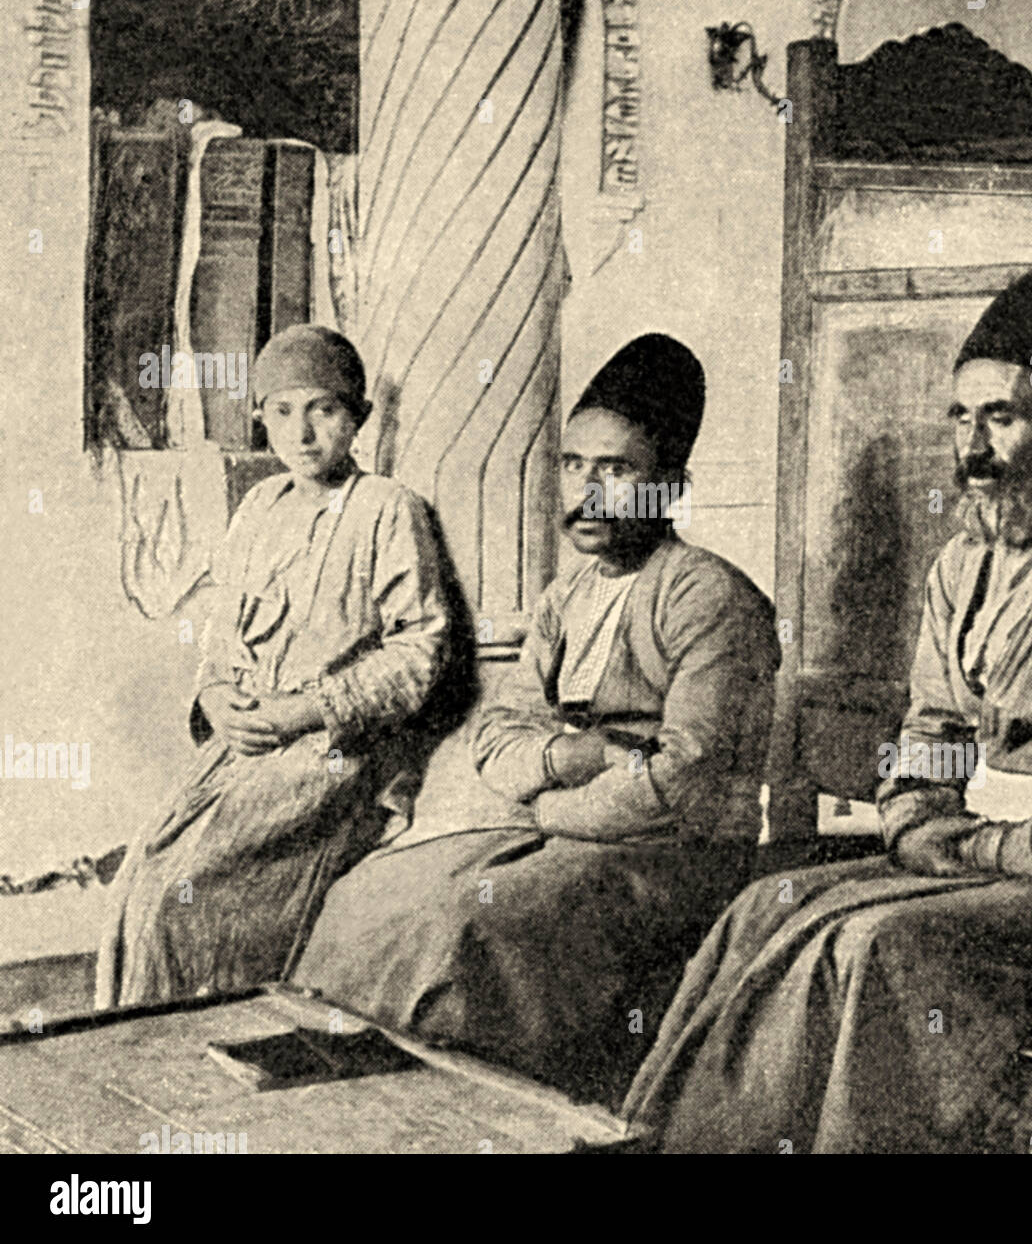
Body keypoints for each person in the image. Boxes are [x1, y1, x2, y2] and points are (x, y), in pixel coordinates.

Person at [623, 269, 1032, 1153]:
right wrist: (915, 817)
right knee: (766, 905)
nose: (970, 449)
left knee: (874, 944)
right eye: (959, 416)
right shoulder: (959, 570)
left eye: (1001, 417)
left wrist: (994, 845)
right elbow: (933, 736)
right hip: (975, 857)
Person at [294, 334, 781, 1103]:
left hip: (669, 859)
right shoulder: (567, 597)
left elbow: (682, 779)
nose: (585, 492)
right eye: (572, 465)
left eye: (615, 470)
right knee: (368, 895)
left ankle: (468, 1126)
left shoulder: (711, 600)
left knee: (465, 928)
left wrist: (550, 799)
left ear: (670, 486)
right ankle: (350, 1119)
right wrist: (565, 761)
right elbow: (501, 734)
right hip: (560, 828)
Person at [97, 326, 454, 1008]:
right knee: (139, 878)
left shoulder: (388, 509)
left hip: (332, 753)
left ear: (358, 418)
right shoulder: (261, 505)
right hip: (247, 744)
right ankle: (136, 1055)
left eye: (324, 409)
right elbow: (222, 632)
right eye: (283, 411)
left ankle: (205, 1047)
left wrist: (304, 711)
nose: (304, 432)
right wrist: (215, 696)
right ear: (261, 417)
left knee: (181, 899)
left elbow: (418, 654)